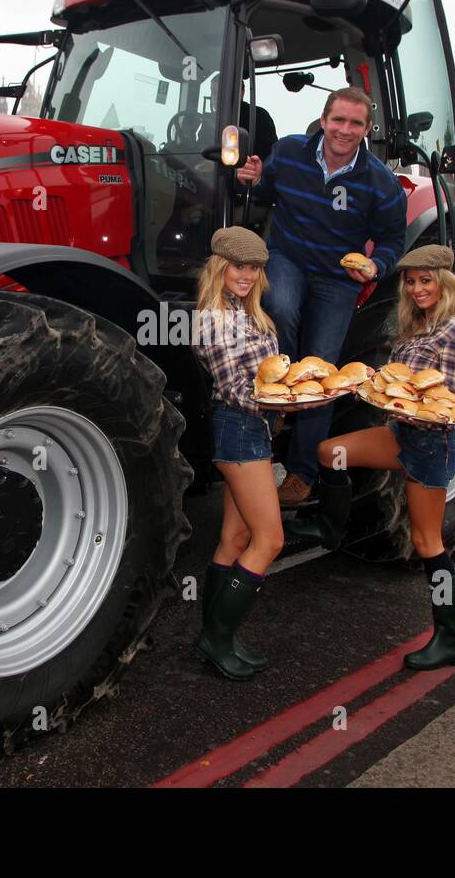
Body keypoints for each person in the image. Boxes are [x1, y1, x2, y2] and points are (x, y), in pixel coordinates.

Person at [286, 245, 455, 670]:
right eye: (411, 282)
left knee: (428, 543)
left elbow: (444, 398)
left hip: (431, 444)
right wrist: (369, 383)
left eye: (425, 281)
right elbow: (395, 379)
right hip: (400, 433)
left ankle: (450, 638)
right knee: (329, 452)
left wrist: (396, 395)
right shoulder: (414, 323)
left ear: (443, 282)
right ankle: (330, 528)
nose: (417, 288)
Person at [235, 87, 407, 507]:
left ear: (366, 129)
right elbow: (263, 193)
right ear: (324, 120)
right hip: (288, 257)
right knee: (280, 305)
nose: (344, 130)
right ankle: (277, 407)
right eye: (338, 120)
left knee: (323, 371)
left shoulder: (379, 182)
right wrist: (253, 179)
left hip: (337, 276)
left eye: (355, 123)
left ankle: (301, 474)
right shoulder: (291, 152)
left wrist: (375, 267)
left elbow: (392, 238)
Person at [190, 226, 287, 681]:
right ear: (219, 267)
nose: (246, 275)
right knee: (270, 540)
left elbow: (266, 377)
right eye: (238, 266)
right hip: (240, 430)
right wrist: (291, 401)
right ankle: (218, 638)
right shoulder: (214, 317)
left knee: (235, 539)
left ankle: (214, 635)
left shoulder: (247, 313)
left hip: (254, 430)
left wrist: (291, 394)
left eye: (254, 268)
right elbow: (234, 387)